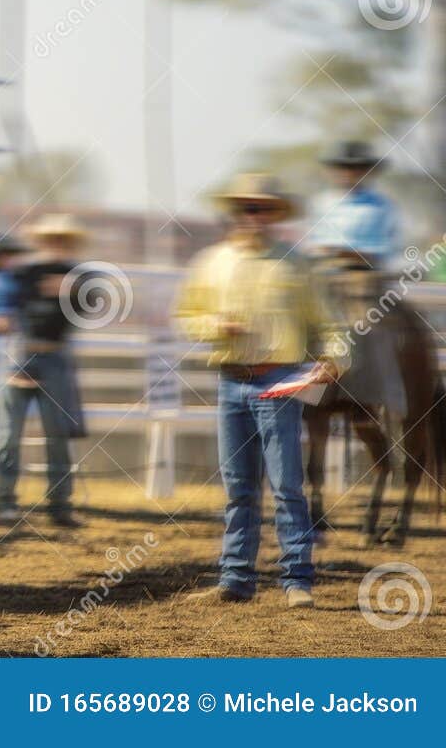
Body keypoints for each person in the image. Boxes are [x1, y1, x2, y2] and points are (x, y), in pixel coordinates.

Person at [173, 172, 347, 609]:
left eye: (263, 208)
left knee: (287, 483)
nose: (255, 216)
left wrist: (335, 357)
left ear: (275, 214)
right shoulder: (210, 263)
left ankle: (296, 579)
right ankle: (236, 578)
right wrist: (216, 326)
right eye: (247, 208)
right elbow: (188, 315)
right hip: (231, 379)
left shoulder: (298, 263)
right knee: (238, 486)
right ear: (234, 212)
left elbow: (329, 323)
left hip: (279, 381)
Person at [0, 215, 94, 527]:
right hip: (23, 356)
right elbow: (0, 303)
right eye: (51, 239)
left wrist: (72, 291)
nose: (56, 246)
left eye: (62, 240)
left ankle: (59, 506)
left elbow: (94, 304)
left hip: (54, 358)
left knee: (57, 436)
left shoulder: (79, 277)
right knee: (9, 435)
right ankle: (5, 502)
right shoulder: (23, 272)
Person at [308, 139, 400, 265]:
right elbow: (310, 243)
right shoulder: (320, 203)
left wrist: (351, 254)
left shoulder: (381, 205)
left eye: (356, 168)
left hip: (367, 271)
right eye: (342, 167)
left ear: (368, 171)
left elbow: (389, 247)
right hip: (324, 268)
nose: (348, 173)